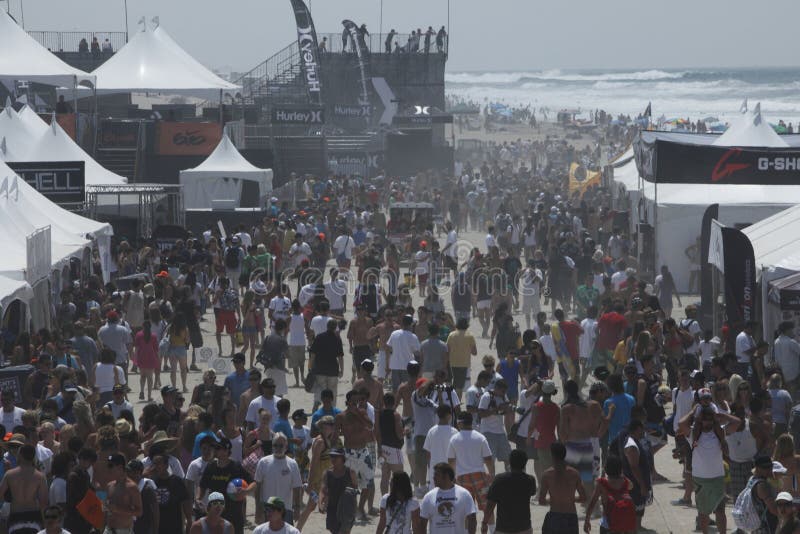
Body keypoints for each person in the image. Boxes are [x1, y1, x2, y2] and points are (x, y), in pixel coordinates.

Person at [483, 449, 536, 534]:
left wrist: (484, 523)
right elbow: (532, 492)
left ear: (510, 462)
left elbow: (490, 505)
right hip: (524, 528)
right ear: (525, 464)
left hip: (503, 529)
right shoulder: (530, 480)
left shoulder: (499, 479)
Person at [254, 433, 303, 525]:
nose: (278, 448)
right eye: (275, 445)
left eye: (281, 445)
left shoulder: (292, 464)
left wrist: (297, 508)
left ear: (286, 446)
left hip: (286, 510)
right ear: (272, 446)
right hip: (267, 509)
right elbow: (258, 487)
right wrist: (258, 508)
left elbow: (297, 487)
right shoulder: (263, 462)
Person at [0, 443, 48, 534]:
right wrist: (45, 523)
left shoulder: (10, 475)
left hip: (16, 514)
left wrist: (8, 500)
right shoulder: (40, 477)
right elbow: (44, 502)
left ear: (20, 456)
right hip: (34, 515)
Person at [539, 441, 586, 534]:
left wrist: (552, 500)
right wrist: (571, 499)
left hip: (554, 515)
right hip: (571, 515)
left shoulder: (547, 475)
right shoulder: (574, 473)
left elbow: (541, 501)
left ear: (552, 455)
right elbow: (583, 498)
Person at [583, 455, 636, 534]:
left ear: (606, 468)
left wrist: (587, 520)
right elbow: (631, 486)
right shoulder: (625, 482)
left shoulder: (602, 483)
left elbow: (592, 503)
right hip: (624, 525)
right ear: (620, 469)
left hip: (608, 524)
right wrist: (622, 475)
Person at [319, 448, 358, 534]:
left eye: (336, 456)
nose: (333, 459)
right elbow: (323, 490)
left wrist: (353, 509)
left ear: (342, 458)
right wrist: (321, 503)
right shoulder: (327, 473)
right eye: (332, 456)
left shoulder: (351, 473)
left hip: (346, 509)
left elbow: (355, 492)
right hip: (332, 509)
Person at [309, 319, 345, 406]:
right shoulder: (337, 339)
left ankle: (317, 402)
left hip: (320, 369)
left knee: (320, 390)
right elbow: (340, 357)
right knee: (332, 392)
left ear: (327, 326)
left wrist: (310, 366)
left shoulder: (319, 337)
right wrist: (342, 370)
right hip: (333, 370)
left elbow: (313, 353)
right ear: (335, 328)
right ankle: (331, 409)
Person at [105, 453, 143, 534]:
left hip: (123, 531)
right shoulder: (109, 485)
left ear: (120, 467)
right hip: (108, 530)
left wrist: (118, 510)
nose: (108, 469)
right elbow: (107, 508)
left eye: (110, 466)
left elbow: (139, 512)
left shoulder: (132, 487)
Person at [386, 315, 421, 392]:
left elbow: (388, 348)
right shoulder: (413, 336)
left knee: (395, 390)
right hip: (408, 367)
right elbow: (418, 352)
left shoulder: (394, 334)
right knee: (408, 390)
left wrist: (387, 364)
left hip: (395, 366)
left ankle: (395, 403)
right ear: (411, 324)